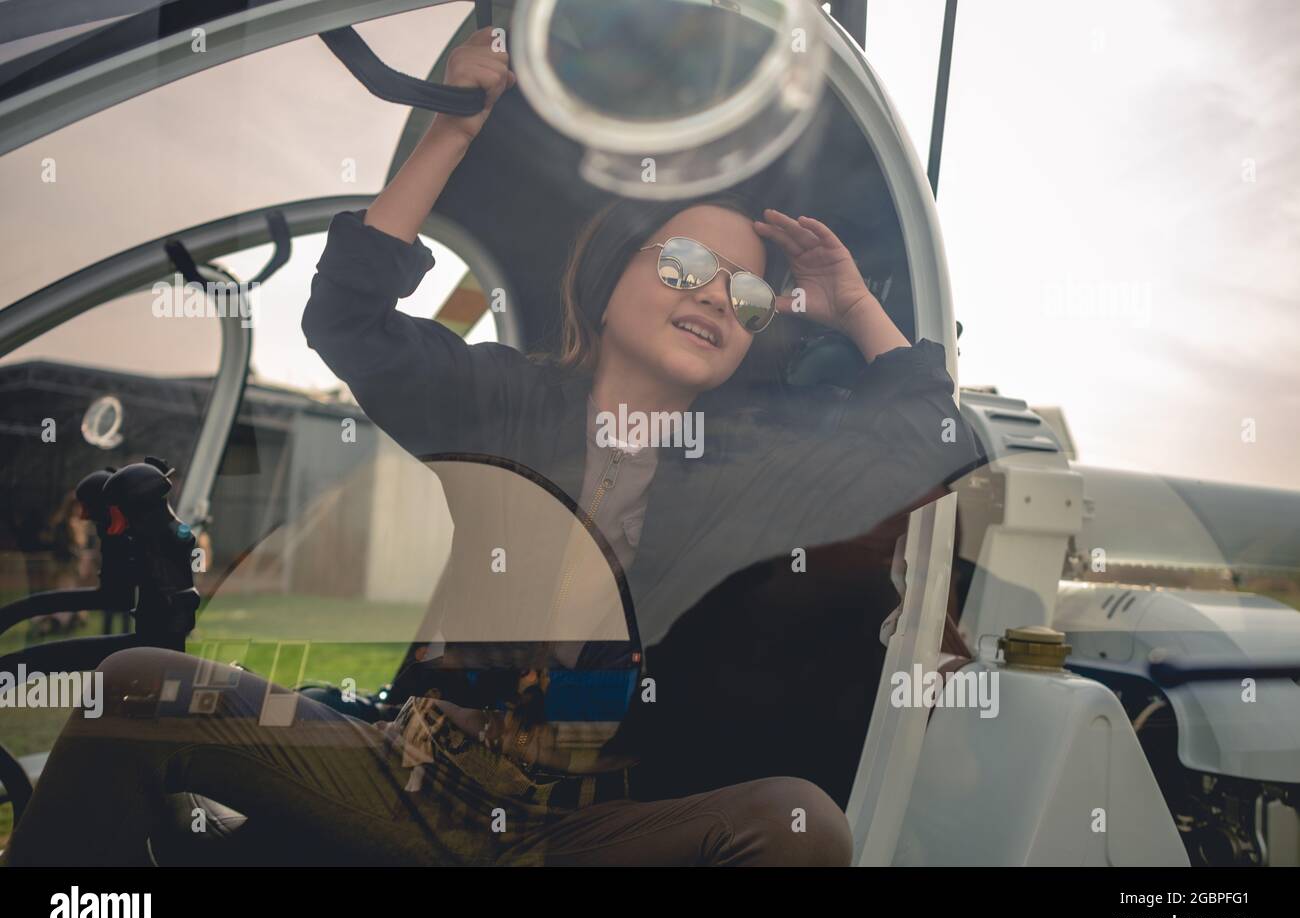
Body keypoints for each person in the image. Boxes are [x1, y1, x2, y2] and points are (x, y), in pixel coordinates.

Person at [5, 27, 981, 867]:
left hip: (576, 831)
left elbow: (926, 436)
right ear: (607, 282)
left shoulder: (738, 462)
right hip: (407, 776)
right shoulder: (502, 397)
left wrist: (852, 304)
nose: (716, 296)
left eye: (750, 295)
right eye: (686, 263)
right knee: (136, 683)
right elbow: (349, 317)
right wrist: (452, 130)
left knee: (800, 823)